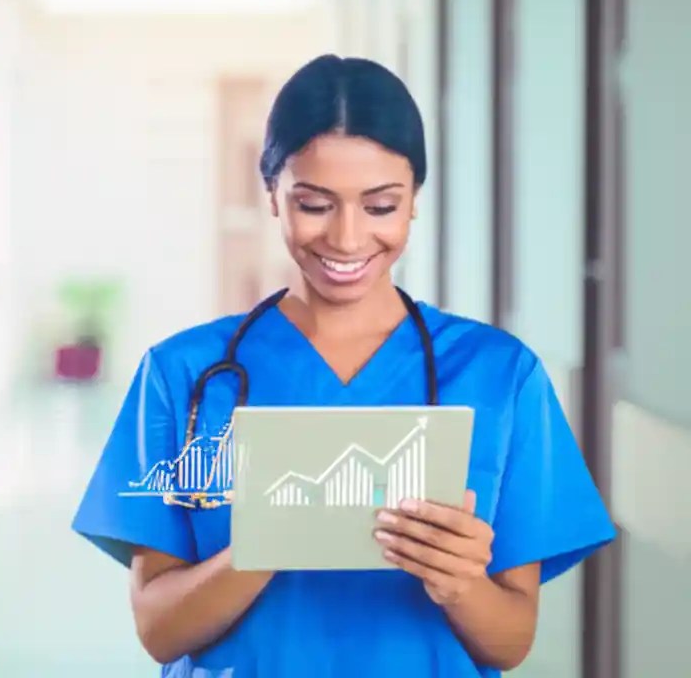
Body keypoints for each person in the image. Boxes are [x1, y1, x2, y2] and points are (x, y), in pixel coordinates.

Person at [70, 54, 615, 678]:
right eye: (314, 204)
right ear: (272, 195)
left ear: (414, 201)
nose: (347, 239)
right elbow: (160, 631)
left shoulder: (499, 376)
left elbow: (510, 643)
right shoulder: (183, 374)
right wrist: (267, 541)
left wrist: (462, 583)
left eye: (380, 206)